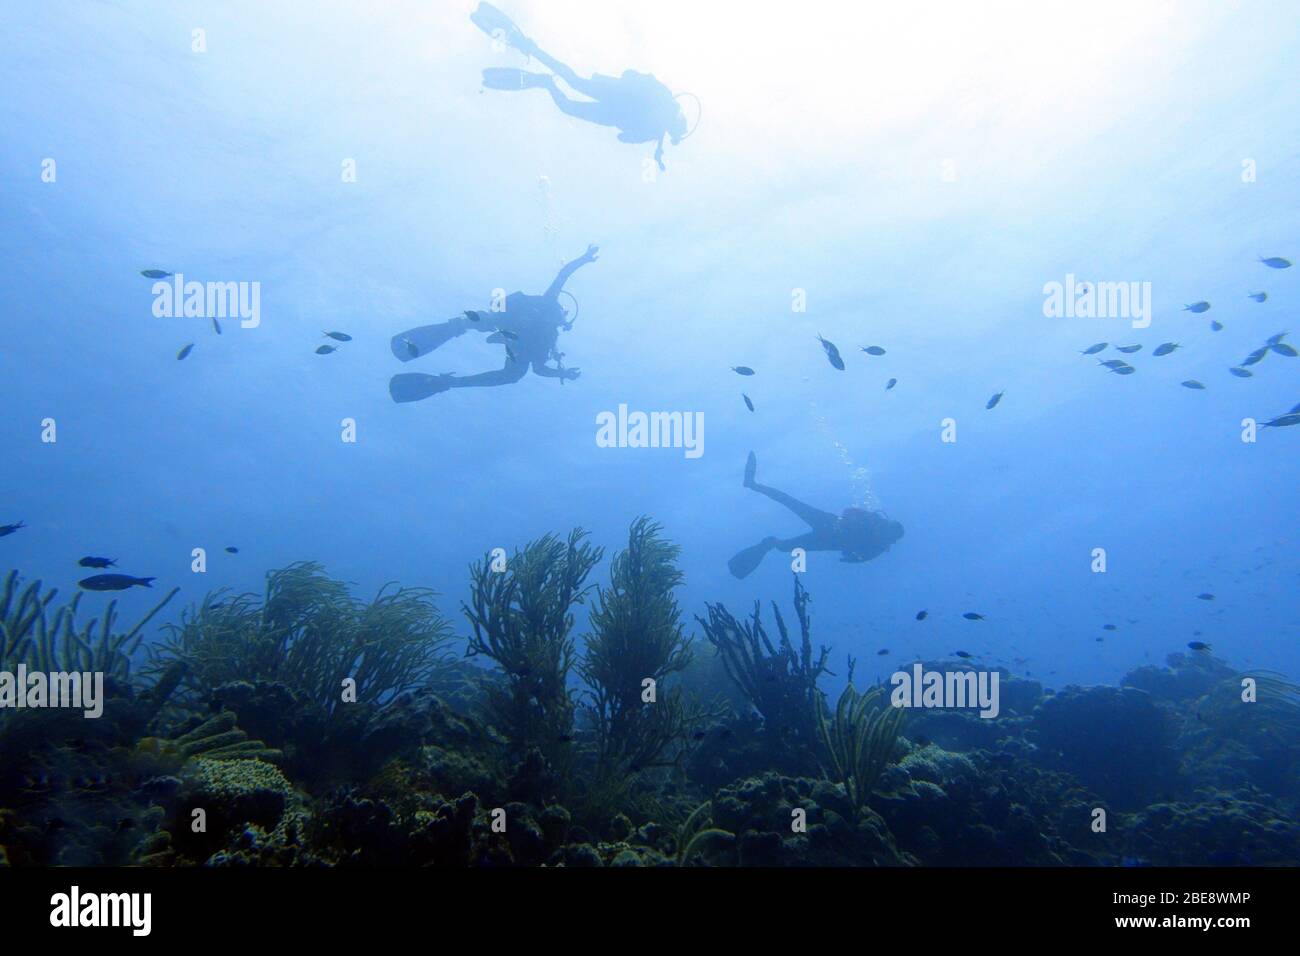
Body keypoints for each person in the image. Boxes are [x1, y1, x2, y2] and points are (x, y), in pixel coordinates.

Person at [471, 2, 689, 170]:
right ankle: (545, 82)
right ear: (673, 130)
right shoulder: (657, 130)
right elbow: (624, 137)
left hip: (612, 92)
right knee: (568, 106)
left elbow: (634, 76)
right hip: (610, 113)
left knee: (573, 79)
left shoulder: (664, 98)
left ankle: (531, 48)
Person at [388, 245, 597, 403]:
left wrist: (562, 373)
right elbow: (563, 275)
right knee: (490, 319)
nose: (561, 317)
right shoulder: (548, 302)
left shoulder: (551, 337)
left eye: (562, 317)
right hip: (506, 321)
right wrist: (585, 258)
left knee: (513, 375)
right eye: (562, 314)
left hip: (516, 342)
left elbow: (539, 369)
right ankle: (460, 326)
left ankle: (449, 381)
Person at [728, 452, 904, 578]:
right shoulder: (878, 538)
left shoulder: (878, 541)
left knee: (788, 508)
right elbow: (852, 558)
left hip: (829, 531)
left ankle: (767, 538)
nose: (888, 534)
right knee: (789, 508)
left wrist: (850, 548)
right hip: (829, 534)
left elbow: (855, 556)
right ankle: (753, 486)